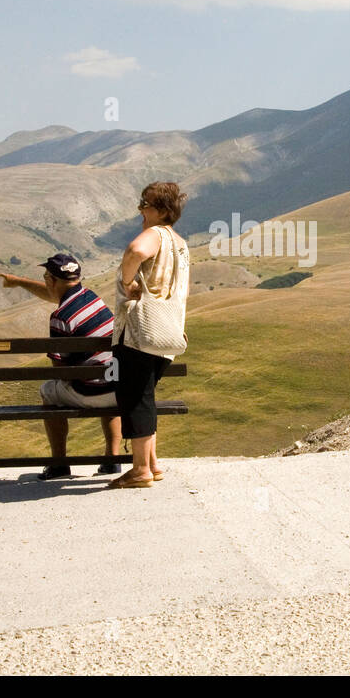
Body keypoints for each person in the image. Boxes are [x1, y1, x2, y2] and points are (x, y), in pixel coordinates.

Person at [0, 253, 123, 479]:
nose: (45, 281)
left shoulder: (60, 317)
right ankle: (112, 460)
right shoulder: (93, 298)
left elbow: (60, 371)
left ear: (52, 281)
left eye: (47, 276)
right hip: (119, 388)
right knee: (104, 375)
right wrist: (18, 281)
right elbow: (54, 294)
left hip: (90, 392)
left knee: (49, 391)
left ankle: (59, 464)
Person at [106, 182, 191, 489]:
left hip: (139, 333)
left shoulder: (155, 235)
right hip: (166, 333)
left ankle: (140, 468)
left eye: (147, 205)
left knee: (135, 397)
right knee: (146, 396)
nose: (141, 210)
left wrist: (128, 281)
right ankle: (152, 464)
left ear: (163, 211)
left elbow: (134, 250)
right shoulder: (180, 243)